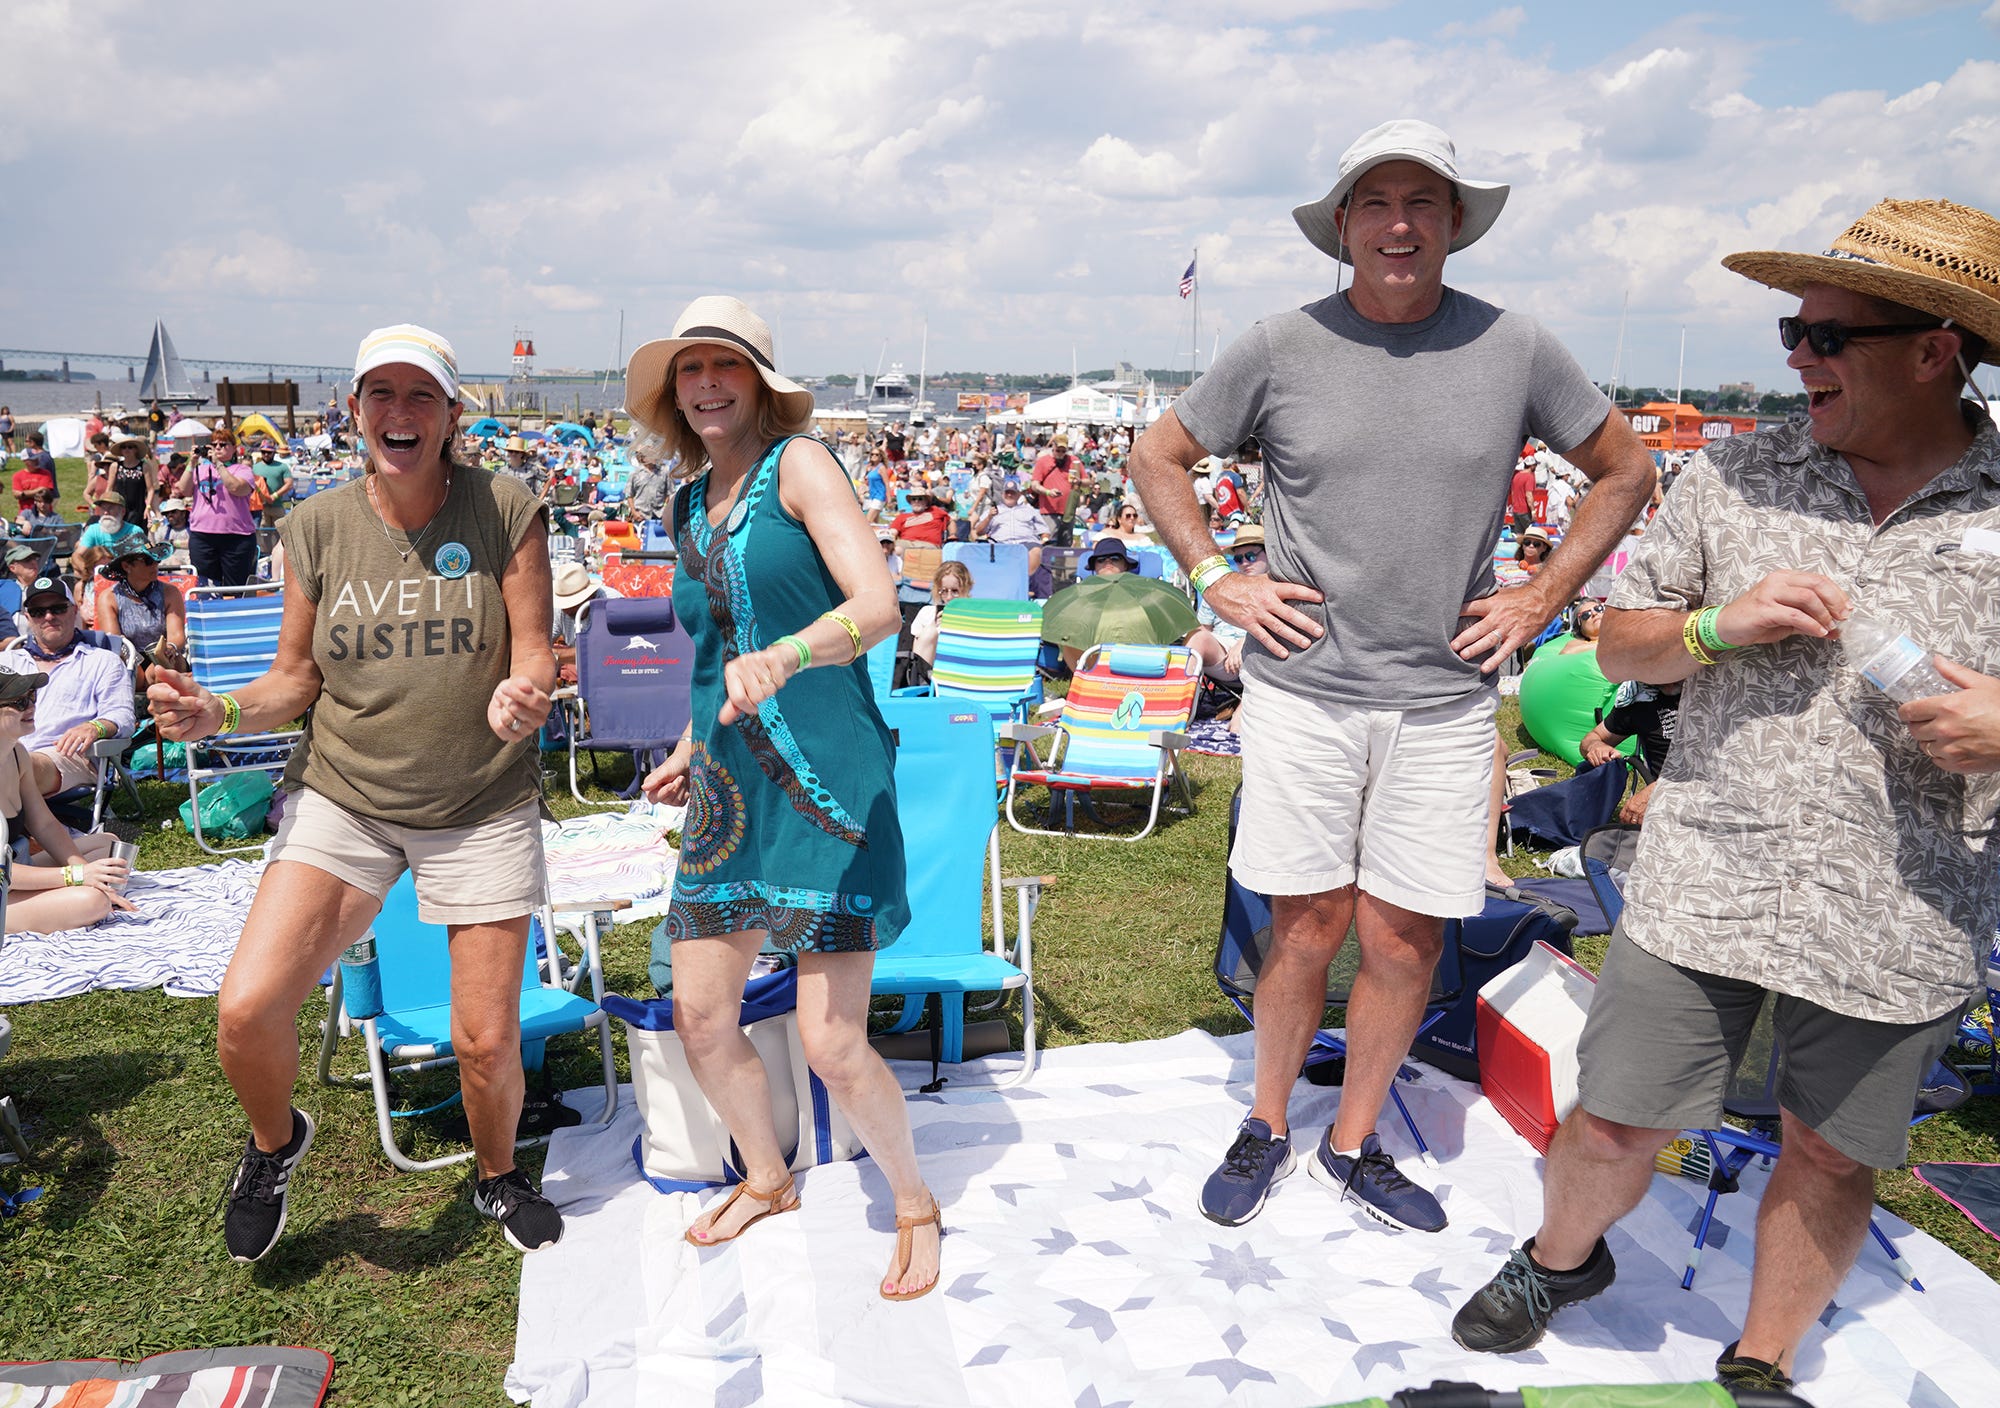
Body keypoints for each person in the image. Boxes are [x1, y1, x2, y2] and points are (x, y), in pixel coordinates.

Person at [1450, 197, 2000, 1393]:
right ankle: (1559, 1257)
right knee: (1613, 1113)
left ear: (1932, 350)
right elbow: (1616, 642)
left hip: (1900, 909)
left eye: (1824, 338)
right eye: (1791, 333)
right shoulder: (1740, 474)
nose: (1795, 357)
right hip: (1708, 871)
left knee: (1831, 1152)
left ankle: (1760, 1353)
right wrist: (1712, 625)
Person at [1129, 118, 1654, 1234]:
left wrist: (1540, 595)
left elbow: (1624, 466)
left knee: (1407, 935)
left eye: (1422, 202)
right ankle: (1268, 1121)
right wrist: (1214, 573)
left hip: (1447, 698)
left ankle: (1355, 1139)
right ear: (1344, 226)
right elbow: (1154, 454)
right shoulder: (1276, 343)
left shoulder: (1514, 347)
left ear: (1454, 223)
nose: (1399, 224)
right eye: (1376, 203)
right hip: (1304, 687)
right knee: (1303, 924)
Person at [147, 323, 564, 1262]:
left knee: (486, 1043)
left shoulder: (507, 508)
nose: (401, 413)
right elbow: (295, 680)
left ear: (455, 415)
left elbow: (535, 649)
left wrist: (524, 688)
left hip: (481, 800)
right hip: (347, 793)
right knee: (247, 1009)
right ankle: (274, 1144)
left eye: (423, 396)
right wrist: (220, 709)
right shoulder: (318, 526)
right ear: (355, 411)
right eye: (383, 394)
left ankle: (495, 1174)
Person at [623, 295, 940, 1300]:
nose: (708, 384)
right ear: (674, 394)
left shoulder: (799, 466)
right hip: (728, 782)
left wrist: (790, 654)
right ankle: (767, 1174)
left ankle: (915, 1203)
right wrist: (685, 741)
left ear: (759, 382)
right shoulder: (682, 507)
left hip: (825, 779)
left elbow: (878, 605)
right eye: (689, 369)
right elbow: (714, 650)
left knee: (830, 1040)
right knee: (700, 1014)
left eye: (726, 365)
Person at [0, 667, 133, 931]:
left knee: (110, 845)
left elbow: (45, 825)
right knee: (92, 902)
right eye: (20, 702)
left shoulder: (17, 755)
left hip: (17, 869)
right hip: (6, 884)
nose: (32, 707)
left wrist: (87, 875)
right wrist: (77, 877)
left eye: (33, 697)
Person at [0, 575, 135, 798]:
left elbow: (122, 715)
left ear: (74, 610)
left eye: (58, 608)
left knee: (14, 766)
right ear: (28, 618)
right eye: (38, 612)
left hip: (65, 754)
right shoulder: (7, 663)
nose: (48, 616)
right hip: (7, 749)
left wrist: (95, 727)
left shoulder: (101, 661)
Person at [175, 434, 259, 586]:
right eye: (214, 445)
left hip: (236, 537)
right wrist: (191, 463)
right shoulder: (200, 470)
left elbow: (236, 488)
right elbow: (184, 490)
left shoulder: (242, 470)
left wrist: (218, 464)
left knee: (235, 586)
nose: (218, 447)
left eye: (223, 444)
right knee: (205, 584)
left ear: (234, 448)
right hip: (203, 536)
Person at [95, 542, 188, 678]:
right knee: (125, 668)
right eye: (148, 561)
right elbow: (115, 641)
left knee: (163, 668)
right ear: (126, 566)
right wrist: (135, 665)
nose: (155, 565)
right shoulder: (109, 598)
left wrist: (169, 649)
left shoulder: (170, 592)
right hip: (128, 657)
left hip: (165, 656)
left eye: (157, 559)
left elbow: (177, 635)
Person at [908, 559, 972, 678]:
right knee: (929, 632)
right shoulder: (927, 613)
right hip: (930, 674)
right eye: (944, 591)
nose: (949, 597)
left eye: (955, 591)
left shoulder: (973, 615)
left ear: (966, 588)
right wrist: (935, 627)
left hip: (962, 670)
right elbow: (915, 651)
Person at [78, 492, 149, 559]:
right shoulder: (93, 530)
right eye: (103, 508)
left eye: (110, 508)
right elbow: (78, 555)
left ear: (123, 511)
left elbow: (147, 554)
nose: (106, 512)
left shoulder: (134, 531)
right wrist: (83, 570)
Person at [251, 443, 295, 527]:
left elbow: (289, 484)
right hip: (260, 508)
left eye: (269, 452)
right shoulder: (255, 467)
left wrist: (274, 496)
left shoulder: (282, 467)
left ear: (274, 453)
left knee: (280, 533)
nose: (266, 454)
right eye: (263, 452)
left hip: (277, 506)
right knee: (262, 534)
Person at [11, 437, 56, 503]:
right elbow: (16, 495)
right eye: (33, 460)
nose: (36, 461)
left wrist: (23, 494)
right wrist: (36, 491)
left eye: (37, 458)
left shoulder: (45, 473)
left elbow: (44, 492)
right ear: (24, 461)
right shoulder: (17, 476)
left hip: (43, 510)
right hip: (25, 510)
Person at [18, 432, 57, 498]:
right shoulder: (46, 454)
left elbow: (40, 477)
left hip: (47, 497)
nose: (25, 443)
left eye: (26, 441)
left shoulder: (41, 458)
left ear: (32, 442)